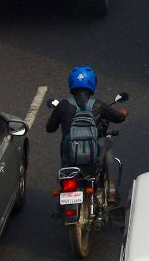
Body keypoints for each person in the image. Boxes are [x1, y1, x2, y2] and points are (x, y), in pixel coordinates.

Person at [46, 67, 127, 204]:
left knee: (65, 157)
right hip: (91, 158)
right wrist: (123, 113)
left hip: (69, 159)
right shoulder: (98, 105)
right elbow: (118, 118)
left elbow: (50, 128)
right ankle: (111, 188)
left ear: (71, 83)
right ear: (92, 83)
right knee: (106, 143)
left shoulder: (63, 105)